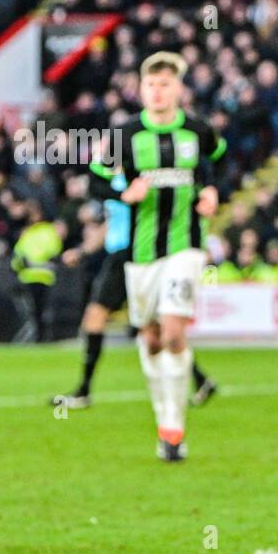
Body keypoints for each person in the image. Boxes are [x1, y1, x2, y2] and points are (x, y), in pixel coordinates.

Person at [88, 52, 219, 461]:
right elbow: (94, 182)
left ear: (178, 89)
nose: (158, 91)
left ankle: (175, 431)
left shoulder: (199, 131)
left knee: (174, 333)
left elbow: (213, 167)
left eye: (165, 84)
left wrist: (213, 191)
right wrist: (121, 194)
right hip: (141, 254)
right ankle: (163, 418)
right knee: (150, 337)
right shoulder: (126, 136)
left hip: (186, 248)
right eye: (151, 85)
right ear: (141, 90)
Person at [67, 168, 219, 409]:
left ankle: (84, 391)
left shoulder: (142, 175)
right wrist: (83, 251)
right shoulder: (116, 182)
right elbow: (111, 222)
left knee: (99, 318)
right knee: (155, 328)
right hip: (119, 254)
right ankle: (200, 380)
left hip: (137, 253)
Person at [11, 200, 61, 342]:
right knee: (33, 314)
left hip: (43, 278)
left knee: (41, 313)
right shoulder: (29, 233)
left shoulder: (47, 230)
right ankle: (37, 340)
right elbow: (18, 255)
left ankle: (41, 340)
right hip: (29, 279)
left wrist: (24, 263)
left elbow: (51, 251)